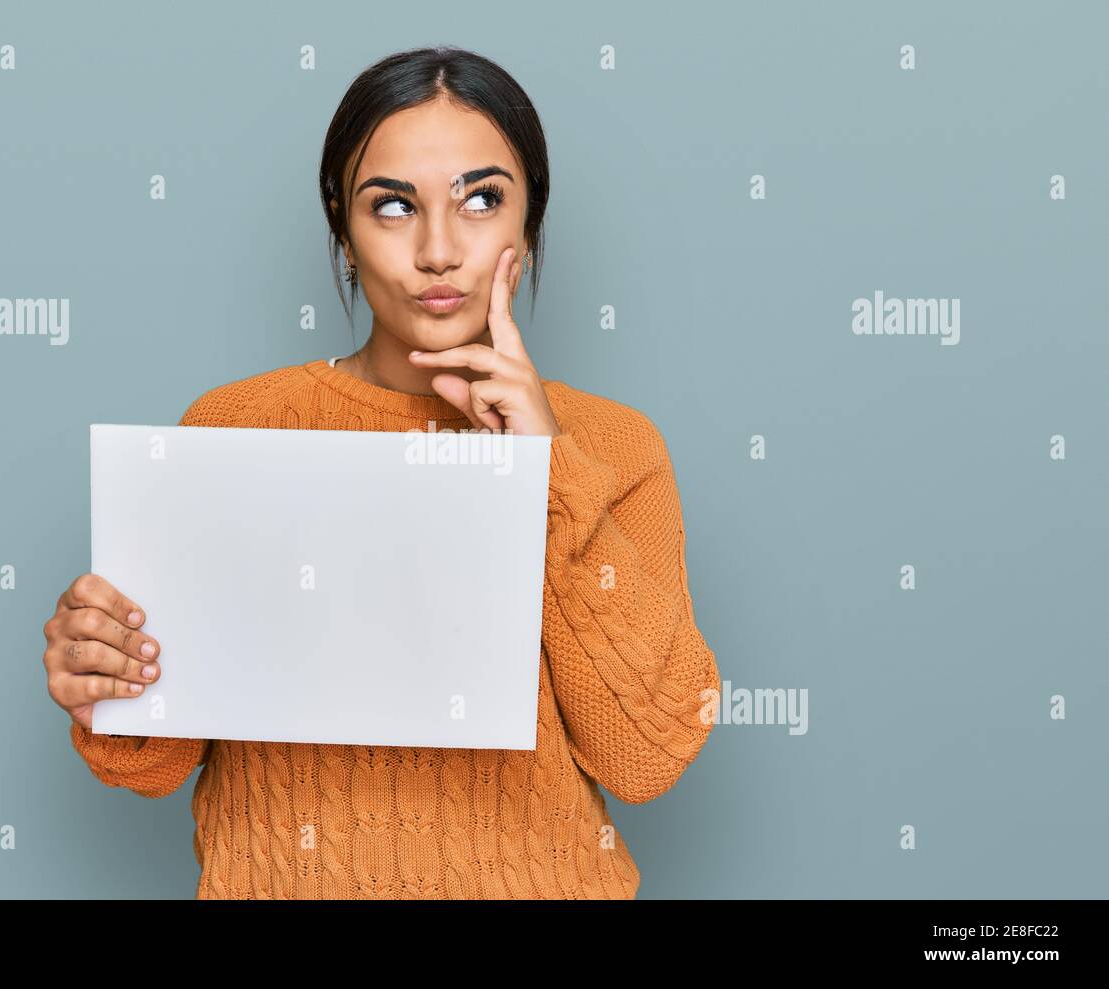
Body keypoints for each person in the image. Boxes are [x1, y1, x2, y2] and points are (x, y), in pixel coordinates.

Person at [42, 45, 719, 899]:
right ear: (342, 224)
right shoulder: (235, 429)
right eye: (393, 206)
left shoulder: (613, 448)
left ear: (530, 223)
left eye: (481, 200)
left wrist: (545, 470)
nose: (439, 250)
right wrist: (106, 672)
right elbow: (150, 760)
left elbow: (650, 753)